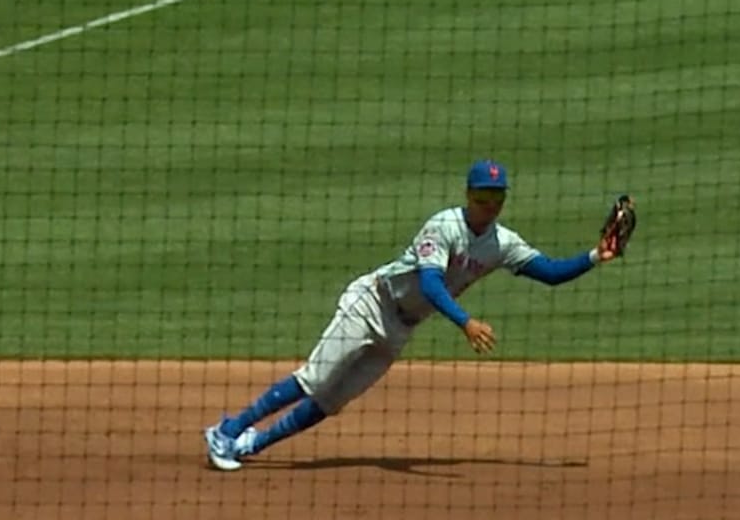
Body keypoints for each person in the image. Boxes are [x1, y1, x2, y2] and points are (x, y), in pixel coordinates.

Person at [203, 158, 621, 471]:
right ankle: (226, 432)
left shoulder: (502, 243)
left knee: (330, 402)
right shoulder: (443, 226)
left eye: (497, 197)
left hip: (402, 328)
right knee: (315, 376)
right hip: (371, 304)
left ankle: (252, 445)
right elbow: (431, 283)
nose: (489, 205)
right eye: (482, 196)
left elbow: (548, 272)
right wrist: (465, 322)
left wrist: (595, 256)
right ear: (468, 195)